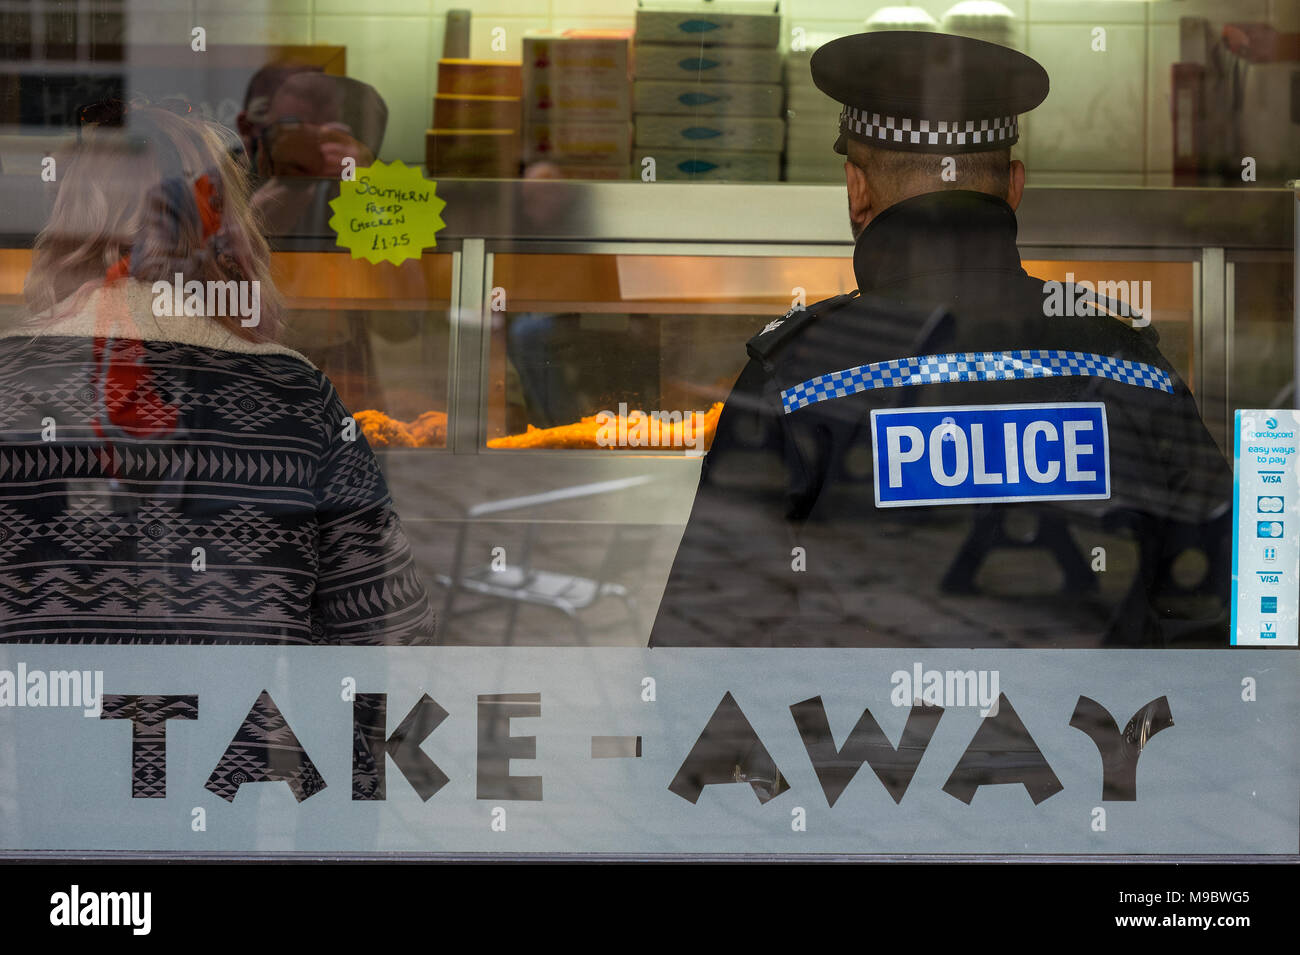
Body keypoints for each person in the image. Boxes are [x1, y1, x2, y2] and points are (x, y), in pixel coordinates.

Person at [649, 31, 1232, 649]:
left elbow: (700, 657)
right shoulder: (1128, 365)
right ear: (1014, 186)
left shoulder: (795, 380)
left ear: (857, 188)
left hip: (860, 748)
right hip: (1090, 746)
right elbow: (1218, 620)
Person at [0, 103, 434, 644]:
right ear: (228, 228)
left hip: (37, 728)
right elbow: (393, 632)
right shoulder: (297, 396)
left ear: (66, 221)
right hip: (246, 728)